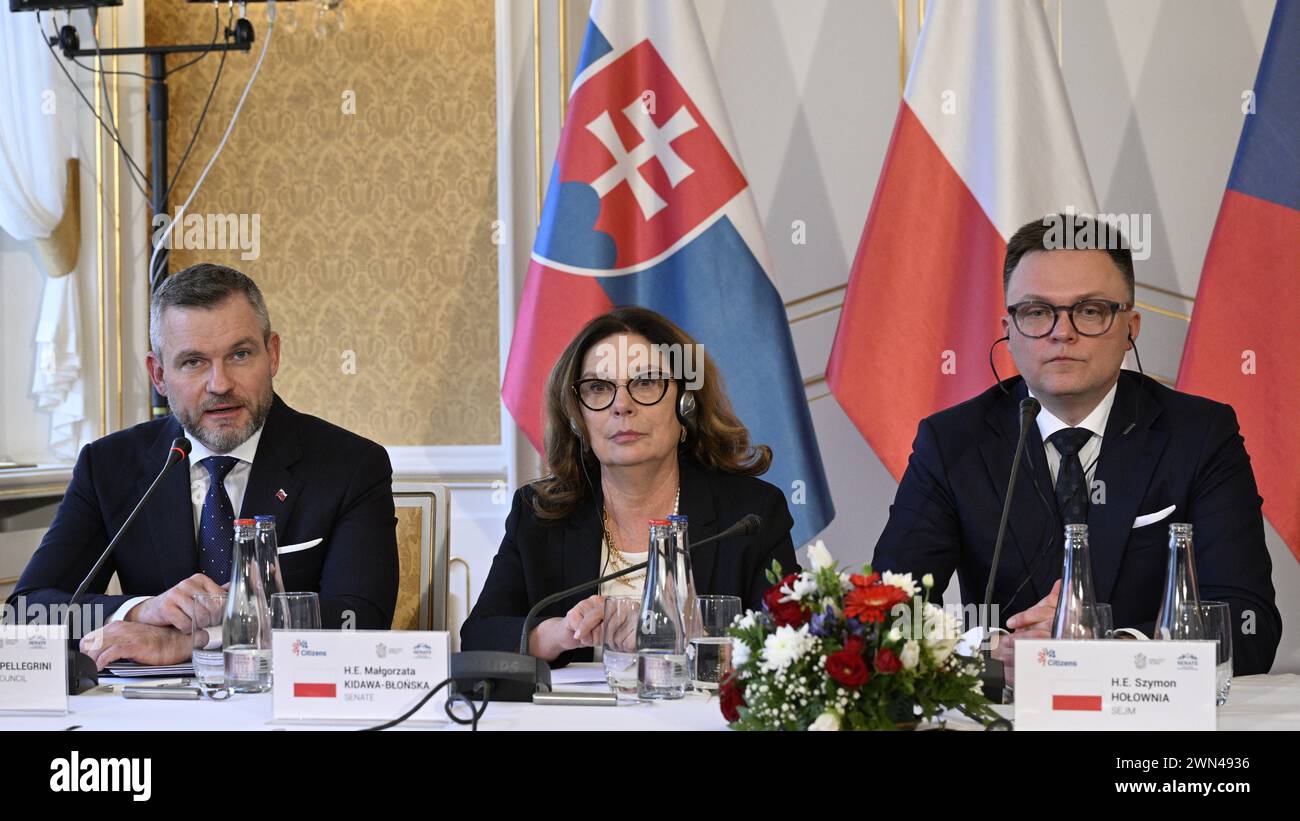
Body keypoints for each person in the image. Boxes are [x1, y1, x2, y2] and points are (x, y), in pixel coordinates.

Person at [873, 214, 1281, 680]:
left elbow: (1248, 626)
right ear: (1008, 328)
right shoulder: (952, 442)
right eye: (1036, 311)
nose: (1060, 332)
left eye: (1089, 311)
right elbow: (885, 614)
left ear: (1131, 327)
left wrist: (1105, 653)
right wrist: (991, 653)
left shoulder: (1201, 433)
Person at [8, 263, 399, 669]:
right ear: (159, 375)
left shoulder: (351, 465)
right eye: (193, 362)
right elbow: (28, 611)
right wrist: (143, 610)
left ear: (274, 355)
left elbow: (361, 621)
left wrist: (202, 639)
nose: (220, 384)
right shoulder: (108, 465)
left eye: (240, 354)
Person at [461, 307, 798, 666]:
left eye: (646, 382)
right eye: (597, 387)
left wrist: (688, 637)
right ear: (578, 417)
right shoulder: (539, 513)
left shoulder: (750, 514)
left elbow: (790, 643)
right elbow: (479, 636)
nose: (621, 405)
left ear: (685, 403)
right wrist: (557, 633)